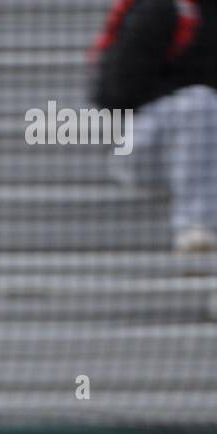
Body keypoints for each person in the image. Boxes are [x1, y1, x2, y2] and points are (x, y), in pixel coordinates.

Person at [89, 0, 217, 251]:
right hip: (140, 151)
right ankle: (195, 226)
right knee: (198, 102)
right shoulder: (160, 9)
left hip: (205, 152)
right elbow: (112, 93)